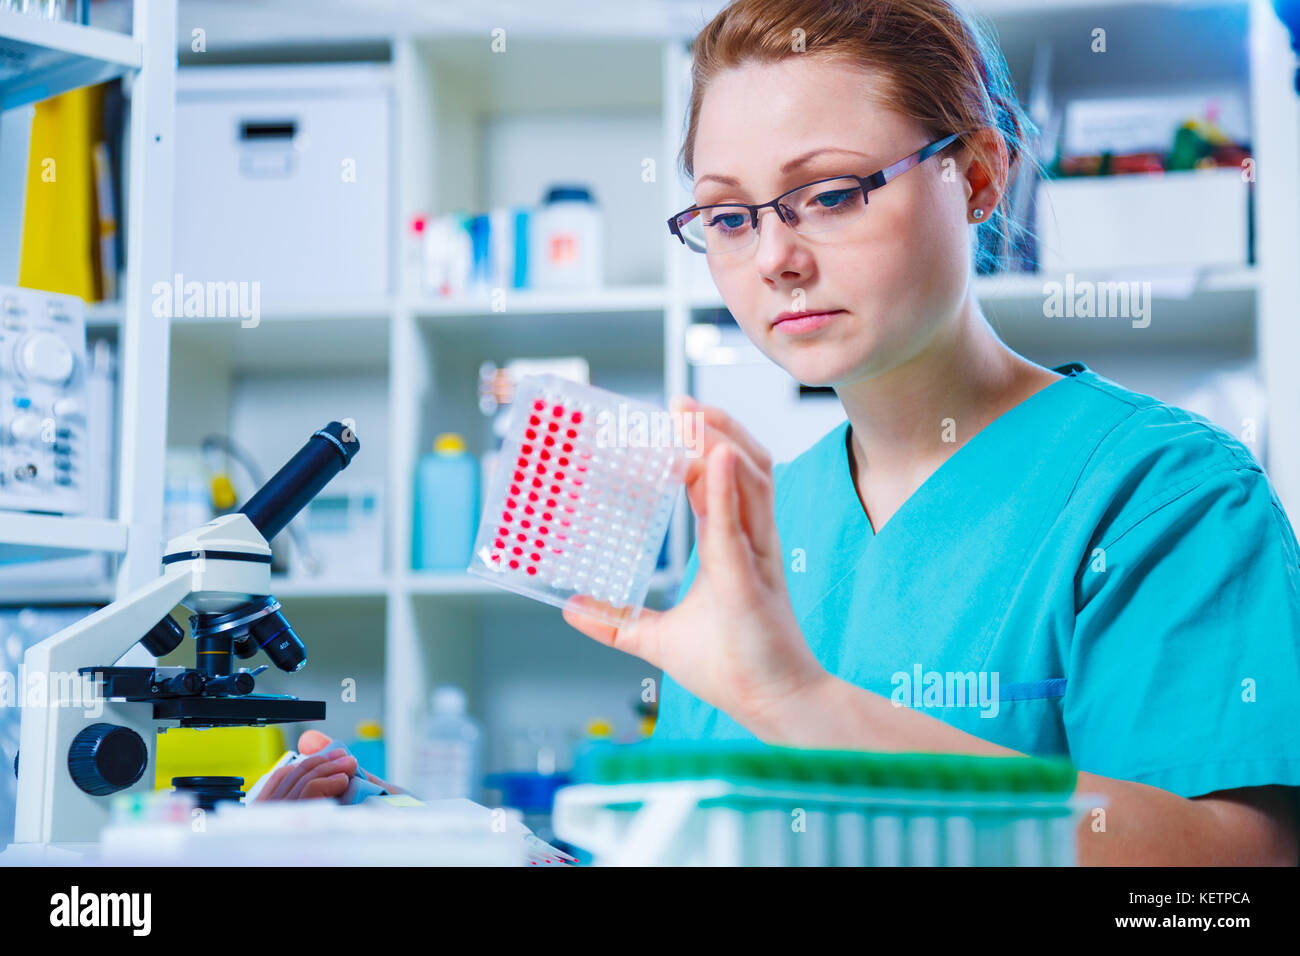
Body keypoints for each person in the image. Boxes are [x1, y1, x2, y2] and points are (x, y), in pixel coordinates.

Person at [557, 0, 1300, 865]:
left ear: (979, 175)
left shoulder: (1162, 496)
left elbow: (1237, 876)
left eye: (830, 195)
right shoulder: (759, 527)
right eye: (728, 217)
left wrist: (807, 706)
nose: (774, 260)